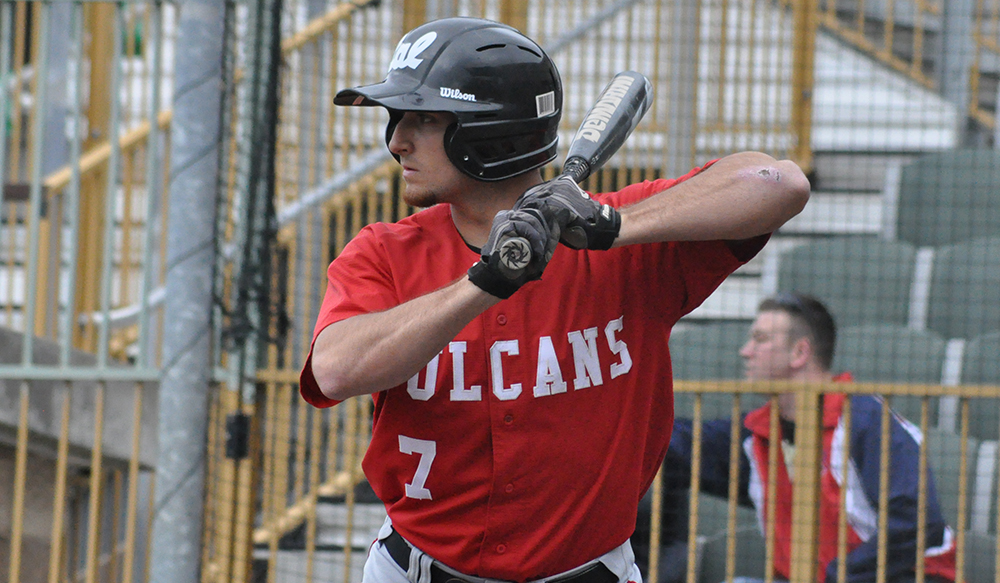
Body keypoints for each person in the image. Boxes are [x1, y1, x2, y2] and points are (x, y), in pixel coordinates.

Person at [298, 16, 809, 583]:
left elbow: (780, 183)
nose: (397, 141)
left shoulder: (618, 239)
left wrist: (614, 225)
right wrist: (484, 283)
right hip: (418, 567)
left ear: (488, 132)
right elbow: (337, 369)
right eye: (399, 120)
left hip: (589, 569)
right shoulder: (383, 252)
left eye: (422, 119)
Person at [659, 293, 957, 583]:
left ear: (800, 353)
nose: (746, 351)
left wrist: (838, 576)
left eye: (760, 339)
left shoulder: (867, 422)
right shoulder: (758, 433)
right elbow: (682, 444)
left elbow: (916, 525)